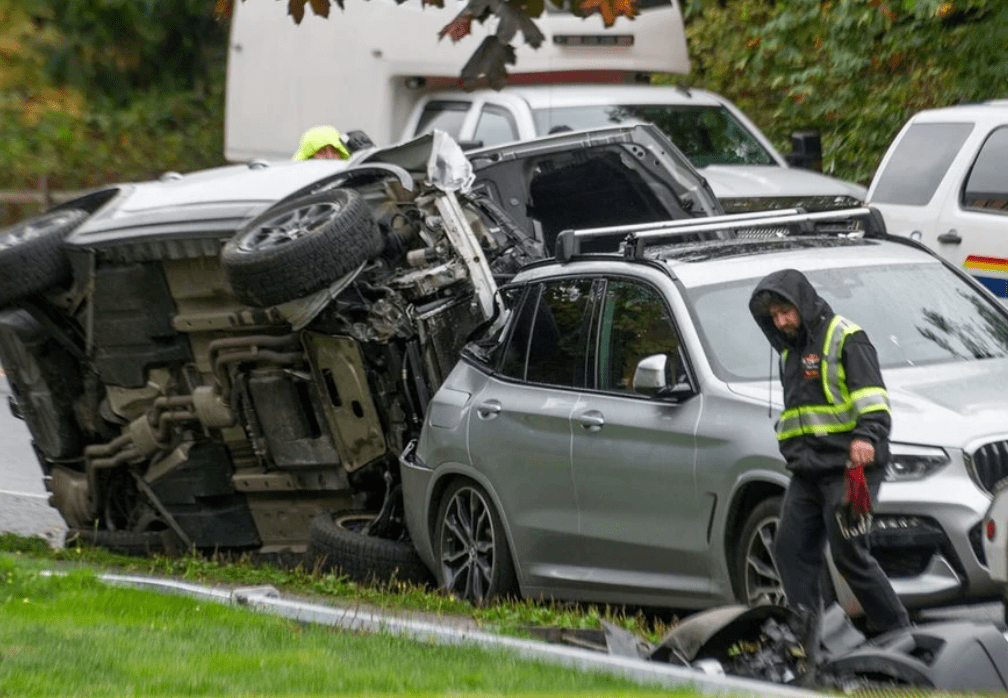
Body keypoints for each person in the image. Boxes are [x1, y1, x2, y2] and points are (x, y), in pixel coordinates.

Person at [748, 268, 910, 659]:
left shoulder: (847, 337)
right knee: (788, 550)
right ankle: (808, 642)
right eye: (775, 316)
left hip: (855, 471)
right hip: (808, 473)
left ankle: (904, 638)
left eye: (787, 311)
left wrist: (867, 437)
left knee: (850, 553)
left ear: (803, 303)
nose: (782, 321)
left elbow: (873, 399)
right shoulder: (790, 351)